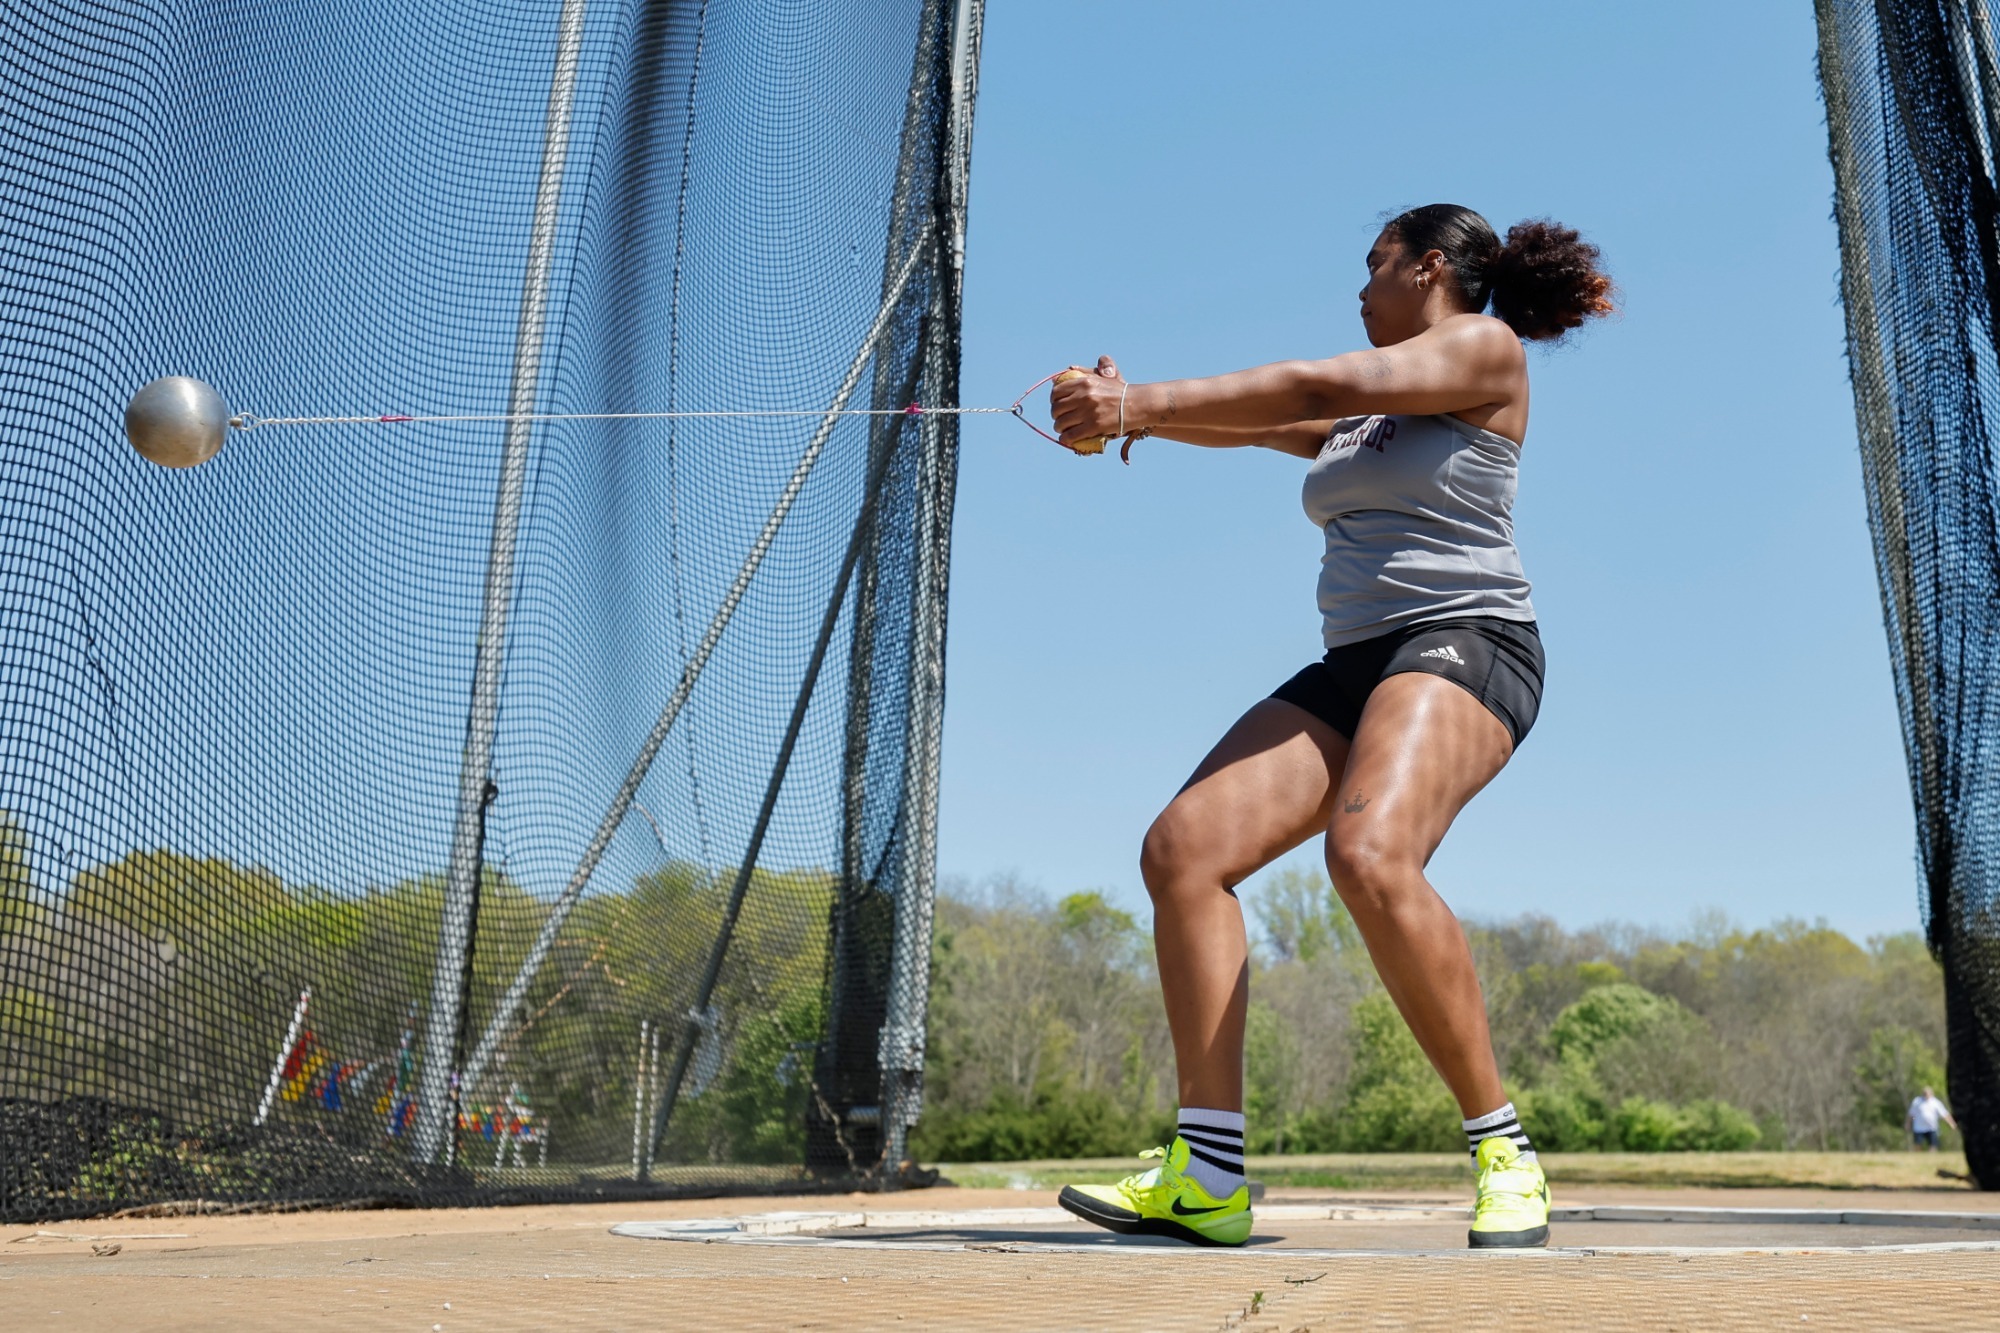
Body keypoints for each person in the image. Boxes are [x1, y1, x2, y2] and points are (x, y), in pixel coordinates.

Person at [1050, 204, 1613, 1249]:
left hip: (1467, 640)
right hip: (1360, 661)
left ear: (1427, 268)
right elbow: (1277, 422)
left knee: (1367, 852)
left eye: (1373, 266)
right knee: (1182, 852)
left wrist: (1134, 398)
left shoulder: (1479, 351)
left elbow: (1313, 387)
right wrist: (1121, 420)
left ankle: (1502, 1149)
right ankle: (1205, 1173)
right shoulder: (1377, 416)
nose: (1359, 290)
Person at [1908, 1086, 1956, 1151]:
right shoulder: (1917, 1101)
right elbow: (1912, 1114)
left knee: (1933, 1145)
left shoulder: (1936, 1102)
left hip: (1932, 1127)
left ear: (1931, 1094)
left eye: (1927, 1093)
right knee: (1918, 1144)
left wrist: (1951, 1123)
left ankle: (1932, 1158)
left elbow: (1944, 1114)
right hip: (1918, 1128)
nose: (1926, 1094)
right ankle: (1917, 1157)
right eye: (1924, 1093)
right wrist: (1909, 1122)